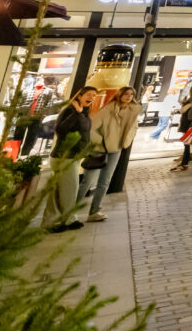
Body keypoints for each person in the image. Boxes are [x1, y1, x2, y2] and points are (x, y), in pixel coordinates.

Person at [82, 86, 143, 222]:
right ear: (119, 95)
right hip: (99, 149)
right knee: (88, 181)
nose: (129, 97)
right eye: (126, 94)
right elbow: (92, 128)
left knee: (105, 181)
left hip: (116, 149)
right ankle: (69, 211)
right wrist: (100, 142)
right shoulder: (108, 110)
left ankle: (94, 211)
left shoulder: (132, 112)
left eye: (131, 95)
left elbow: (133, 128)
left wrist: (126, 141)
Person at [44, 85, 98, 232]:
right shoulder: (70, 110)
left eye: (94, 96)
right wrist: (77, 114)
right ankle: (69, 220)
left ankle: (51, 222)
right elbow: (60, 130)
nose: (91, 98)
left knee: (57, 191)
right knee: (69, 190)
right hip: (64, 157)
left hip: (70, 157)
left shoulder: (84, 112)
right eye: (89, 94)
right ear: (79, 95)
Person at [171, 86, 192, 172]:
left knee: (187, 143)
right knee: (189, 143)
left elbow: (182, 110)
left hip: (187, 123)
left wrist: (185, 103)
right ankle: (187, 160)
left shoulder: (191, 100)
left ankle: (185, 162)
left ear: (191, 92)